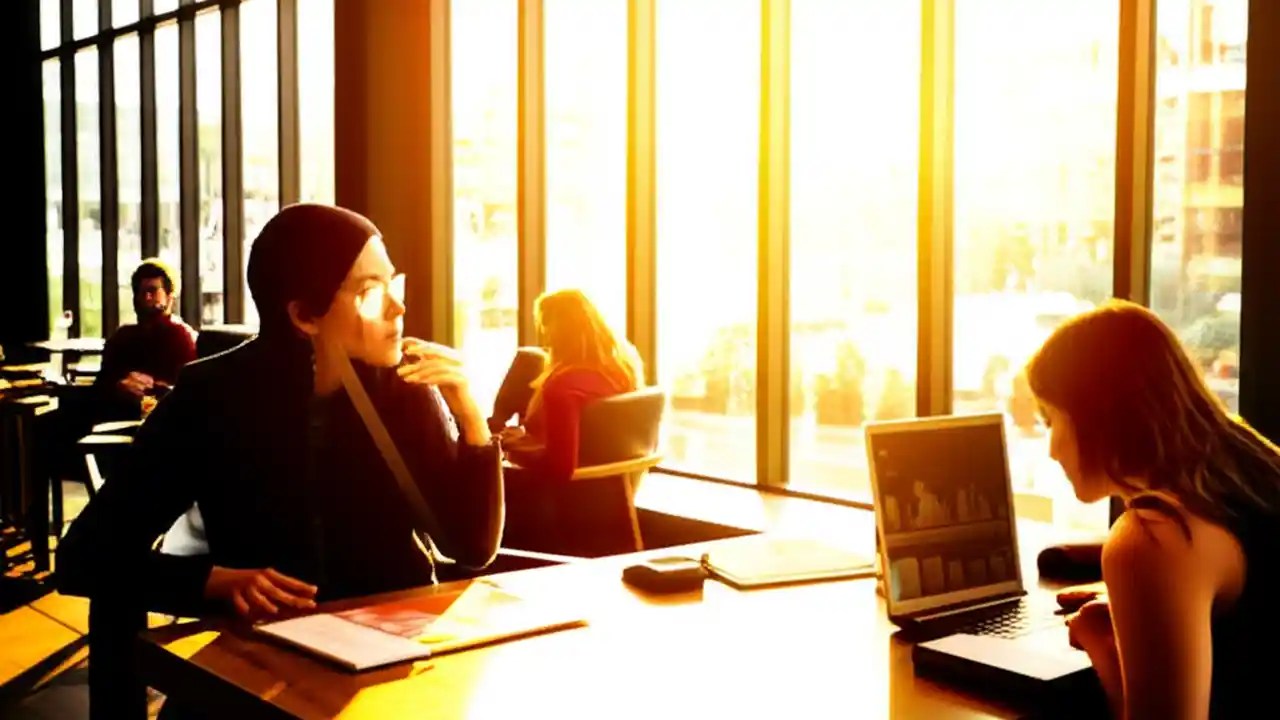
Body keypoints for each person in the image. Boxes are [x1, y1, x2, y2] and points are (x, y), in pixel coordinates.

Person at [56, 204, 504, 718]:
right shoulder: (213, 397)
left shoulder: (404, 391)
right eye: (370, 293)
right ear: (303, 315)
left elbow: (472, 548)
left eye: (393, 284)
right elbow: (84, 558)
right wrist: (213, 581)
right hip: (260, 673)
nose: (398, 310)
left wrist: (470, 412)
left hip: (395, 669)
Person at [1026, 300, 1280, 719]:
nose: (1052, 450)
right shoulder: (1253, 467)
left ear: (1099, 415)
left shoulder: (1153, 536)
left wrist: (1101, 643)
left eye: (1053, 418)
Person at [498, 289, 644, 482]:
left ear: (557, 332)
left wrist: (511, 449)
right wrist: (526, 439)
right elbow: (587, 433)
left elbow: (559, 468)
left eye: (546, 324)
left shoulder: (561, 387)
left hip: (563, 497)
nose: (543, 335)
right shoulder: (622, 369)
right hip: (613, 489)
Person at [94, 258, 197, 420]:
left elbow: (189, 393)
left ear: (170, 296)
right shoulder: (122, 337)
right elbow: (100, 386)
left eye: (153, 291)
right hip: (116, 417)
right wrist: (119, 386)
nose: (146, 298)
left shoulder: (183, 337)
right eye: (140, 292)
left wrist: (151, 387)